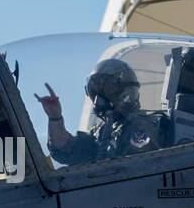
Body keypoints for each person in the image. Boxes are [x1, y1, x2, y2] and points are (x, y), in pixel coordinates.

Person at [34, 57, 168, 165]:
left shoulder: (139, 128)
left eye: (106, 91)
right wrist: (55, 117)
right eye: (94, 93)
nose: (98, 100)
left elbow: (139, 175)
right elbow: (65, 149)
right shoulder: (103, 132)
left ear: (125, 91)